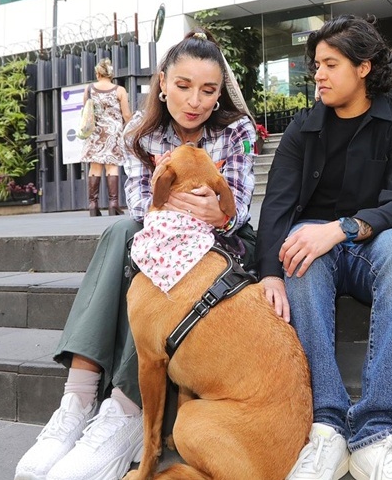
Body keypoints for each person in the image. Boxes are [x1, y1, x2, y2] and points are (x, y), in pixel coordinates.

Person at [15, 31, 258, 480]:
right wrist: (180, 207)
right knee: (122, 232)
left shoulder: (237, 129)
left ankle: (124, 412)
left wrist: (211, 210)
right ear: (162, 84)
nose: (195, 101)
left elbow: (237, 206)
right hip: (158, 236)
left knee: (146, 249)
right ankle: (77, 403)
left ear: (219, 92)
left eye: (208, 90)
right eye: (183, 86)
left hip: (224, 245)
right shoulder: (138, 133)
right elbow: (140, 205)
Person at [254, 17, 392, 480]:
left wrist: (341, 228)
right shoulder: (303, 129)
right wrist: (270, 271)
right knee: (298, 251)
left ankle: (377, 432)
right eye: (316, 66)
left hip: (377, 250)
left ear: (364, 67)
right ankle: (326, 426)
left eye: (331, 64)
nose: (319, 76)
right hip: (317, 256)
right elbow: (277, 204)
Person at [80, 58, 133, 217]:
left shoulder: (89, 89)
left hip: (95, 132)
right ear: (111, 74)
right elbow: (126, 114)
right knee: (112, 166)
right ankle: (113, 204)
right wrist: (132, 127)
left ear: (97, 73)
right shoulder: (119, 90)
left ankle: (93, 204)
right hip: (113, 132)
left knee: (95, 167)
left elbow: (86, 111)